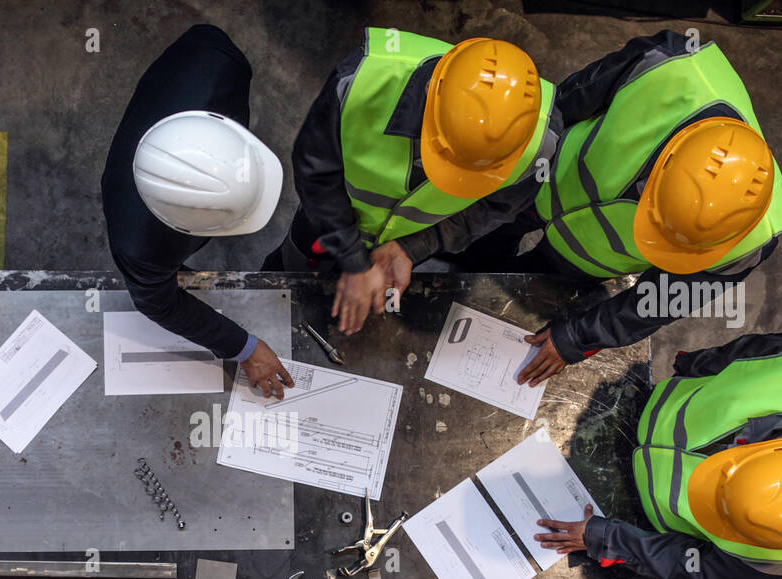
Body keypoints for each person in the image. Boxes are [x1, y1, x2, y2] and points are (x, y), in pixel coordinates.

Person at [512, 30, 782, 386]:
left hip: (585, 257)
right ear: (663, 163)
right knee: (477, 242)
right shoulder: (668, 68)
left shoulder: (751, 242)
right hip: (535, 181)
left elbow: (659, 300)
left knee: (532, 282)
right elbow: (562, 104)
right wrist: (515, 168)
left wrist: (575, 339)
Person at [273, 29, 561, 335]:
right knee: (283, 279)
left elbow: (492, 210)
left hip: (405, 237)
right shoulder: (362, 80)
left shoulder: (540, 142)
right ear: (428, 91)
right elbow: (316, 172)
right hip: (325, 222)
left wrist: (412, 247)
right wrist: (353, 259)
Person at [534, 333, 782, 579]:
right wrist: (690, 364)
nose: (710, 495)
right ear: (749, 446)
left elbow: (684, 563)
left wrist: (605, 537)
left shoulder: (779, 562)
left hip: (639, 505)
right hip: (651, 408)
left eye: (723, 508)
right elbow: (733, 356)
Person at [101, 25, 293, 397]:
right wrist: (245, 348)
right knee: (160, 277)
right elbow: (159, 305)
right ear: (179, 225)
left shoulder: (216, 59)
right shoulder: (138, 245)